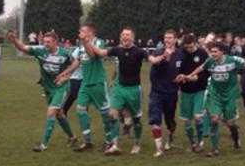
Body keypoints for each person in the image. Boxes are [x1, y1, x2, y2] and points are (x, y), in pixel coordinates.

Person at [80, 27, 150, 155]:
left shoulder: (139, 51)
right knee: (113, 114)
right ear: (120, 37)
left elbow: (151, 59)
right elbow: (100, 53)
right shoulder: (117, 50)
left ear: (133, 37)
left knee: (137, 119)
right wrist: (87, 41)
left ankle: (137, 143)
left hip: (134, 89)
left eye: (128, 35)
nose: (125, 36)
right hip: (119, 87)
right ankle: (115, 145)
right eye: (123, 34)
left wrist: (160, 58)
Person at [7, 31, 78, 152]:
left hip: (61, 87)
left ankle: (43, 145)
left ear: (55, 42)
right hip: (48, 88)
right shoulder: (40, 51)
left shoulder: (65, 53)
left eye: (48, 42)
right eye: (44, 42)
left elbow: (76, 62)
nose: (46, 44)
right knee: (59, 114)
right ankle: (72, 137)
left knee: (51, 112)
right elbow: (23, 47)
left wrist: (65, 75)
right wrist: (15, 41)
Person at [188, 42, 245, 156]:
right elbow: (201, 67)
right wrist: (190, 75)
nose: (213, 54)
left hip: (230, 96)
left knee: (230, 123)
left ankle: (236, 139)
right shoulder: (210, 61)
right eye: (212, 52)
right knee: (214, 120)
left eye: (215, 52)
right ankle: (215, 149)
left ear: (222, 52)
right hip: (215, 94)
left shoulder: (232, 60)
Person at [60, 23, 114, 152]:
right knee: (81, 109)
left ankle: (109, 140)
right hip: (85, 83)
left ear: (90, 32)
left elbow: (92, 55)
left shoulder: (99, 42)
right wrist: (65, 74)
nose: (79, 34)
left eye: (82, 31)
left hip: (98, 82)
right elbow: (78, 61)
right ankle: (87, 141)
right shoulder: (81, 44)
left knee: (104, 113)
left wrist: (85, 42)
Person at [147, 29, 183, 157]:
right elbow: (154, 71)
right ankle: (159, 148)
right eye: (165, 38)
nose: (167, 40)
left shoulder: (180, 54)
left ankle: (171, 135)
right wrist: (164, 58)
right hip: (157, 92)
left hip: (172, 92)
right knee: (155, 119)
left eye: (170, 38)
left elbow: (183, 69)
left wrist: (182, 78)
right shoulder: (158, 53)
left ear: (175, 40)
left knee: (170, 120)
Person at [174, 34, 209, 153]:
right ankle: (192, 143)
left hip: (199, 89)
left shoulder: (202, 54)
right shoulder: (180, 53)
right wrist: (179, 77)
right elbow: (177, 70)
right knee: (186, 120)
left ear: (195, 44)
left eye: (191, 47)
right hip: (185, 91)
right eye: (187, 47)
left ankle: (200, 142)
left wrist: (197, 78)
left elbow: (206, 71)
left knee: (198, 117)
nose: (189, 49)